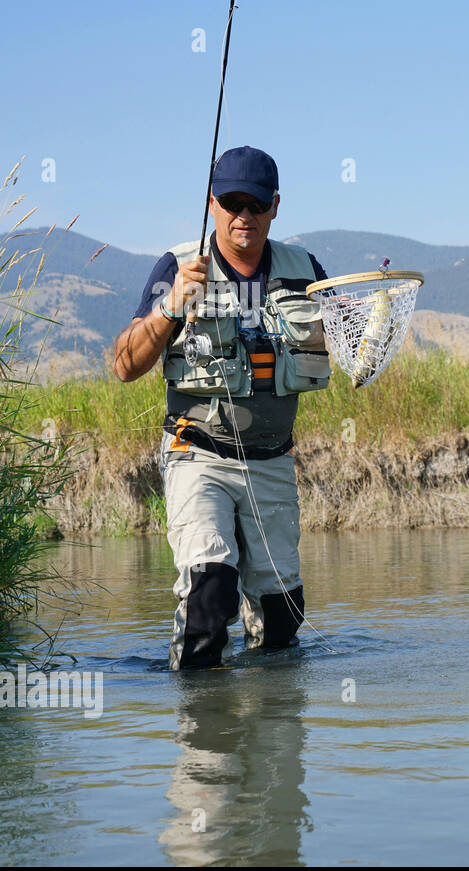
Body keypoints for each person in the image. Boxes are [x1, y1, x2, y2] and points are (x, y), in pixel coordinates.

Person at [112, 146, 332, 670]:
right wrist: (171, 306)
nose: (243, 216)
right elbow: (123, 365)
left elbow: (346, 348)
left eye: (254, 204)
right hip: (198, 455)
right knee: (210, 599)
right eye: (231, 202)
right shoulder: (177, 264)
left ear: (274, 206)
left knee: (282, 623)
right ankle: (207, 739)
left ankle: (273, 731)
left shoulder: (308, 270)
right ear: (211, 203)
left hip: (272, 460)